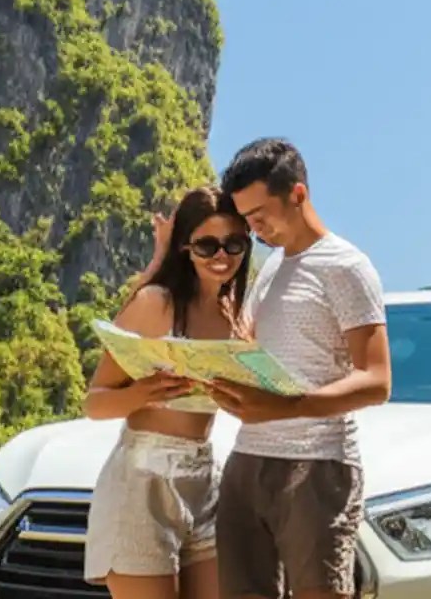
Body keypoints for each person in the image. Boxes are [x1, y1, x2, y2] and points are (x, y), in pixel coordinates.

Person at [207, 138, 392, 599]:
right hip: (247, 462)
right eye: (247, 220)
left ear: (298, 194)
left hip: (317, 466)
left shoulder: (346, 266)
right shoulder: (269, 271)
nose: (255, 229)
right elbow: (255, 354)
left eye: (260, 214)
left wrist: (282, 406)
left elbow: (377, 381)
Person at [81, 186, 254, 599]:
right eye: (207, 245)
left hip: (204, 478)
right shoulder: (156, 303)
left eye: (234, 244)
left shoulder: (238, 319)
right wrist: (143, 392)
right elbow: (95, 401)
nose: (221, 257)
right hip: (141, 480)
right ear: (186, 248)